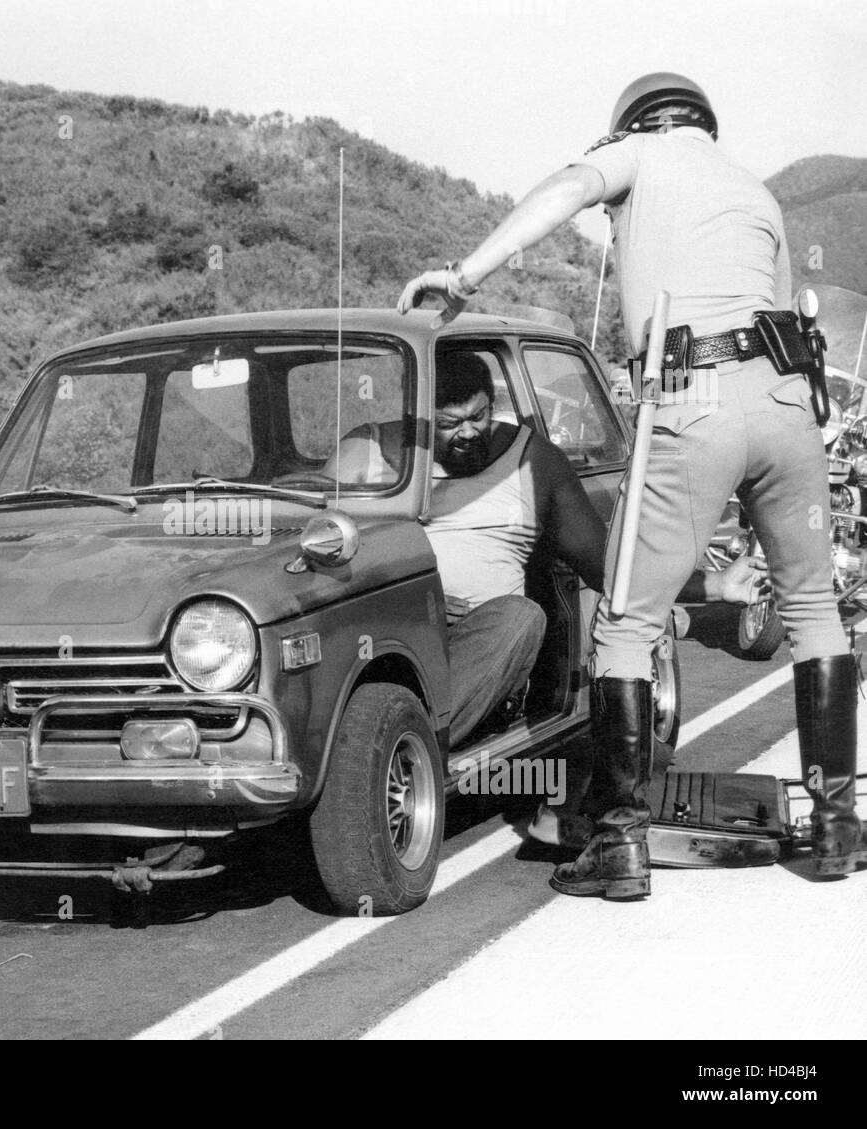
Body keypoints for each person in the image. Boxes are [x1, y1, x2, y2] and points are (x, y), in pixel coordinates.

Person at [398, 72, 861, 898]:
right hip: (789, 402)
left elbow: (567, 189)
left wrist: (461, 276)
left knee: (623, 625)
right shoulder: (756, 191)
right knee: (814, 610)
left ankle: (619, 841)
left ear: (635, 127)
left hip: (694, 393)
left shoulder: (638, 155)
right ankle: (834, 827)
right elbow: (784, 311)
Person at [335, 349, 764, 770]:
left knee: (521, 616)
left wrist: (716, 585)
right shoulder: (366, 450)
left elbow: (606, 567)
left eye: (478, 416)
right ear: (417, 415)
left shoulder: (532, 461)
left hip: (478, 641)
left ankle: (402, 747)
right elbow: (310, 535)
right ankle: (377, 742)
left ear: (492, 403)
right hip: (384, 625)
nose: (467, 433)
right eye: (448, 424)